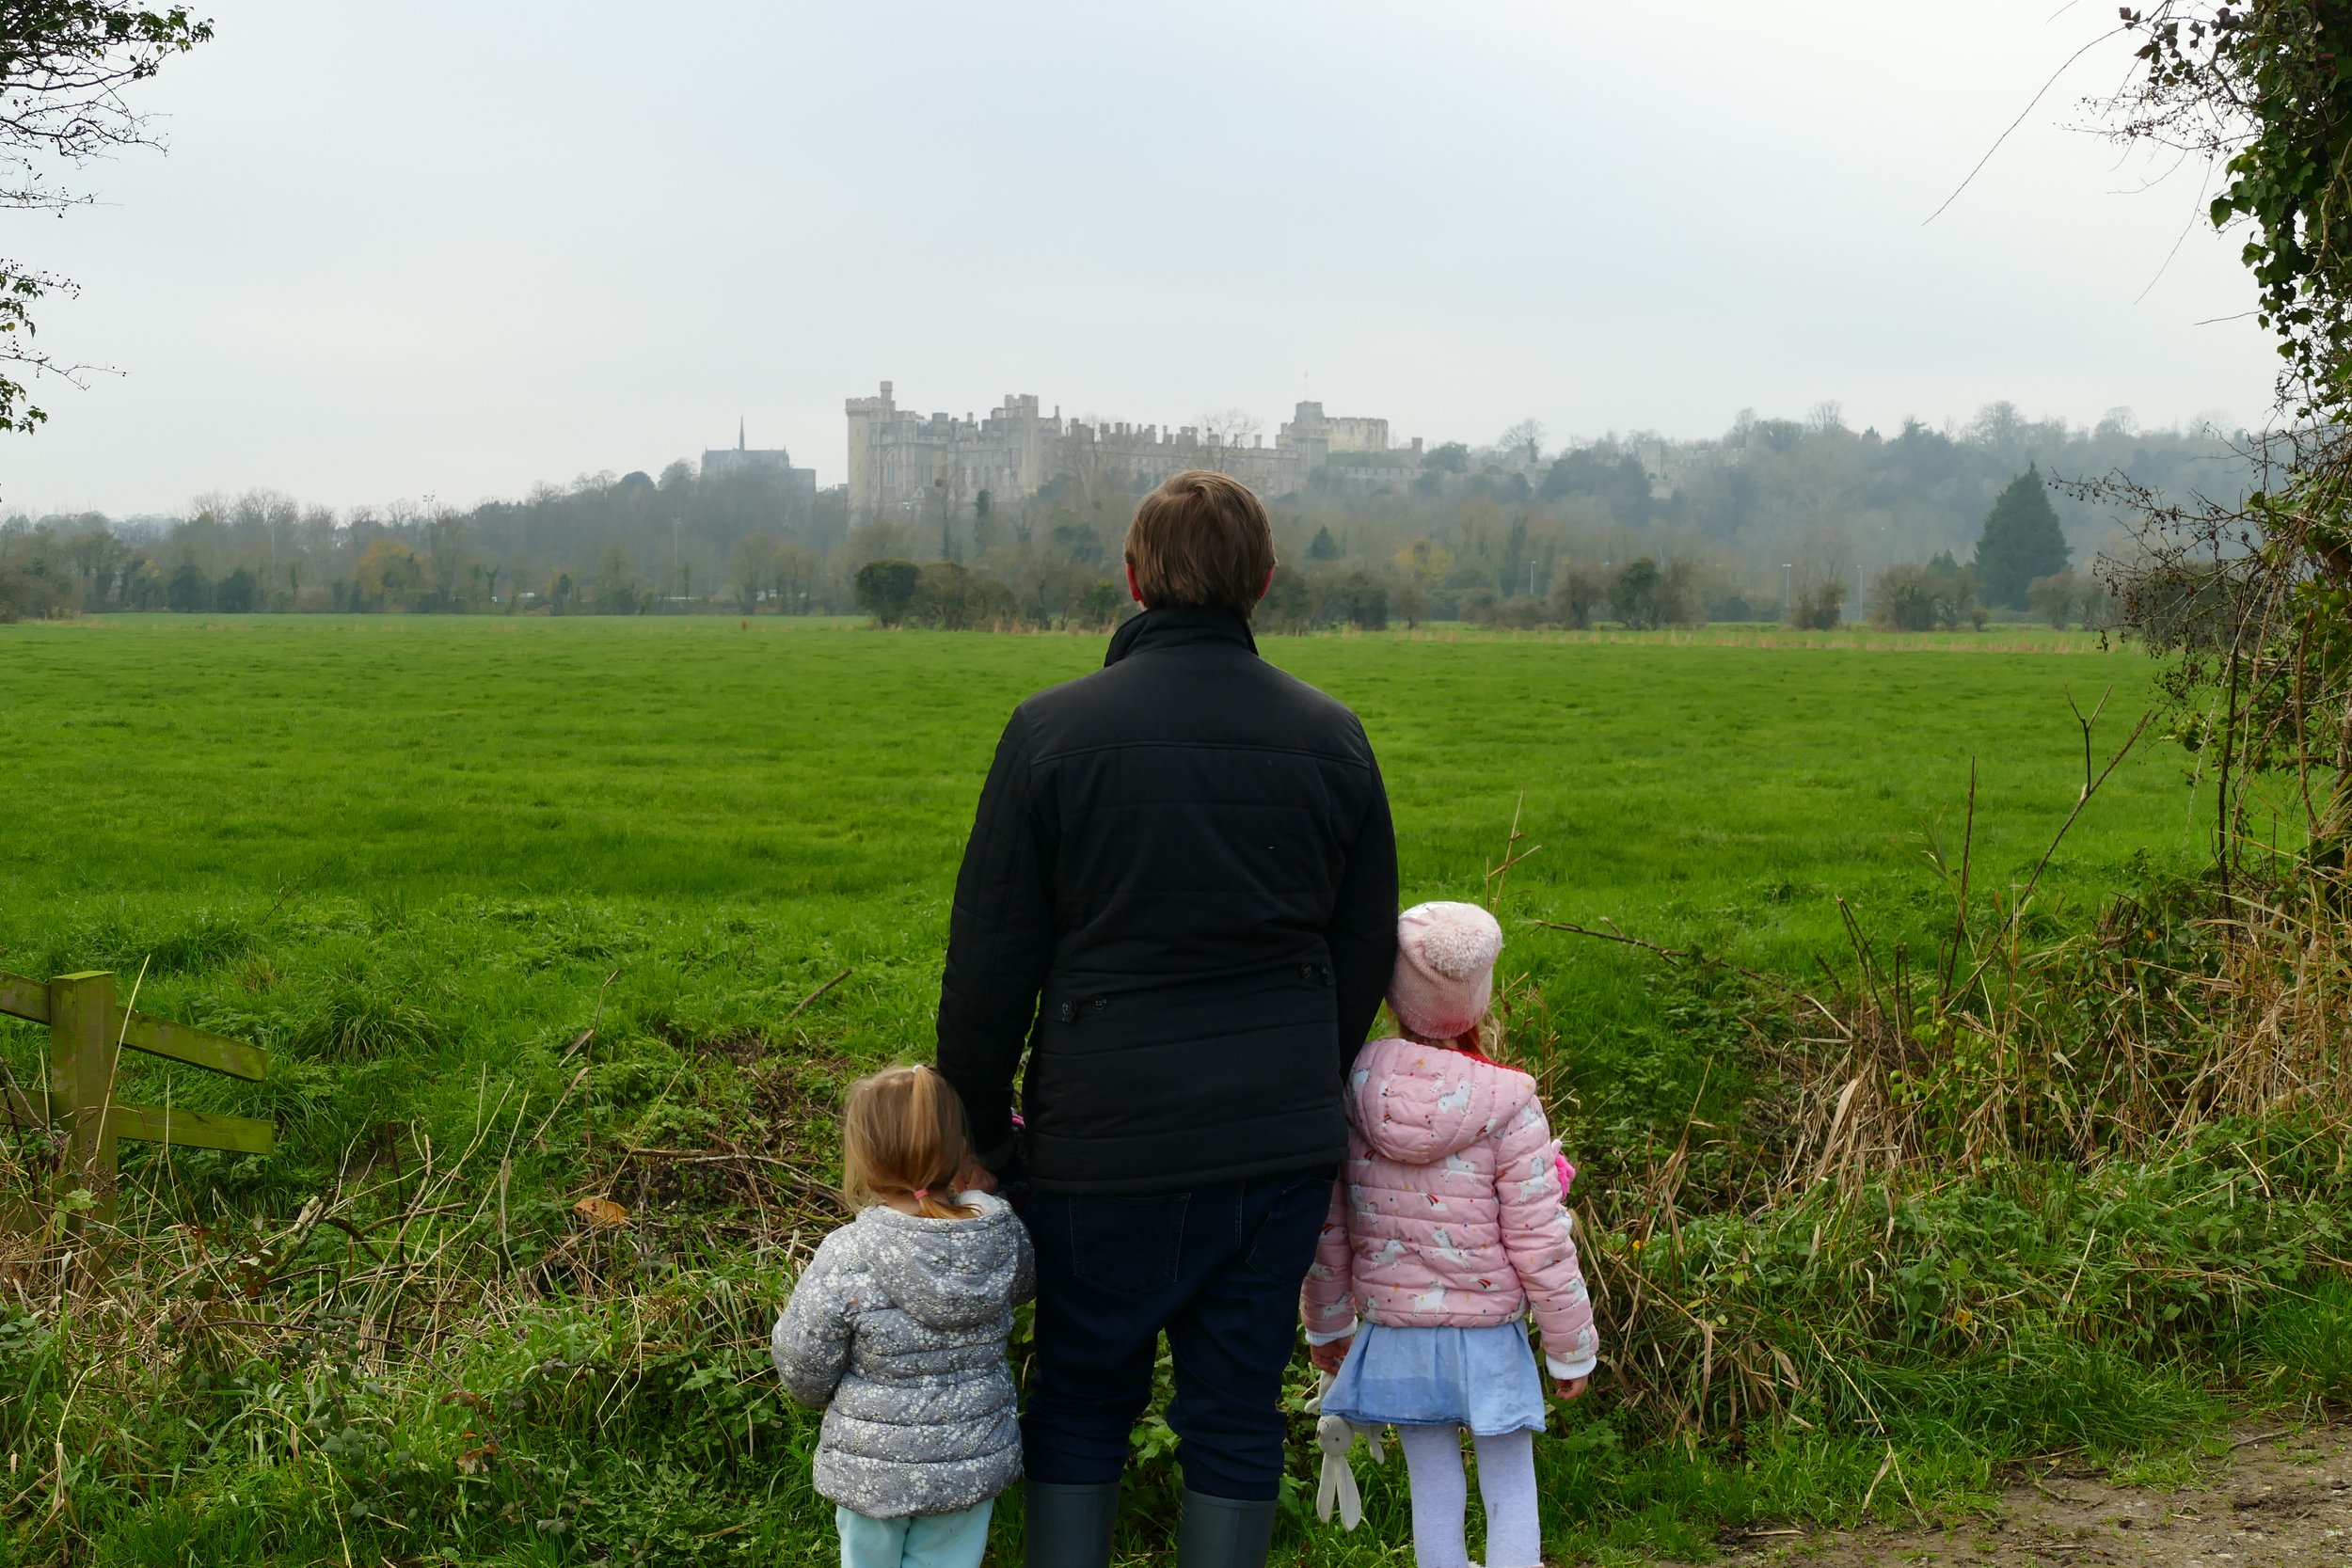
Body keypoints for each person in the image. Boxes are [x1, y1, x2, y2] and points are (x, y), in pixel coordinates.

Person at [934, 469, 1399, 1568]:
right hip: (1271, 1147)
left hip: (1101, 1143)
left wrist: (981, 1135)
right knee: (1235, 1409)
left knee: (1082, 1396)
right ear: (1266, 583)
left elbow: (992, 955)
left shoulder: (1049, 733)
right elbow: (1359, 944)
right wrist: (1299, 1076)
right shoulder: (1333, 739)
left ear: (1133, 578)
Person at [1300, 901, 1597, 1568]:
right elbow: (1540, 1238)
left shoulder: (1350, 1086)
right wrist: (1569, 1347)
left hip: (1397, 1334)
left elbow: (1329, 1226)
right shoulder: (1509, 1102)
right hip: (1487, 1336)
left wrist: (1327, 1326)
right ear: (1478, 996)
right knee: (1510, 1485)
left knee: (1432, 1489)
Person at [771, 1066, 1035, 1568]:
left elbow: (802, 1359)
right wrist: (981, 1199)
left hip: (874, 1469)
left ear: (863, 1158)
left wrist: (814, 1394)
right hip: (968, 1465)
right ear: (960, 1150)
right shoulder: (1000, 1238)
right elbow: (1024, 1285)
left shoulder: (847, 1253)